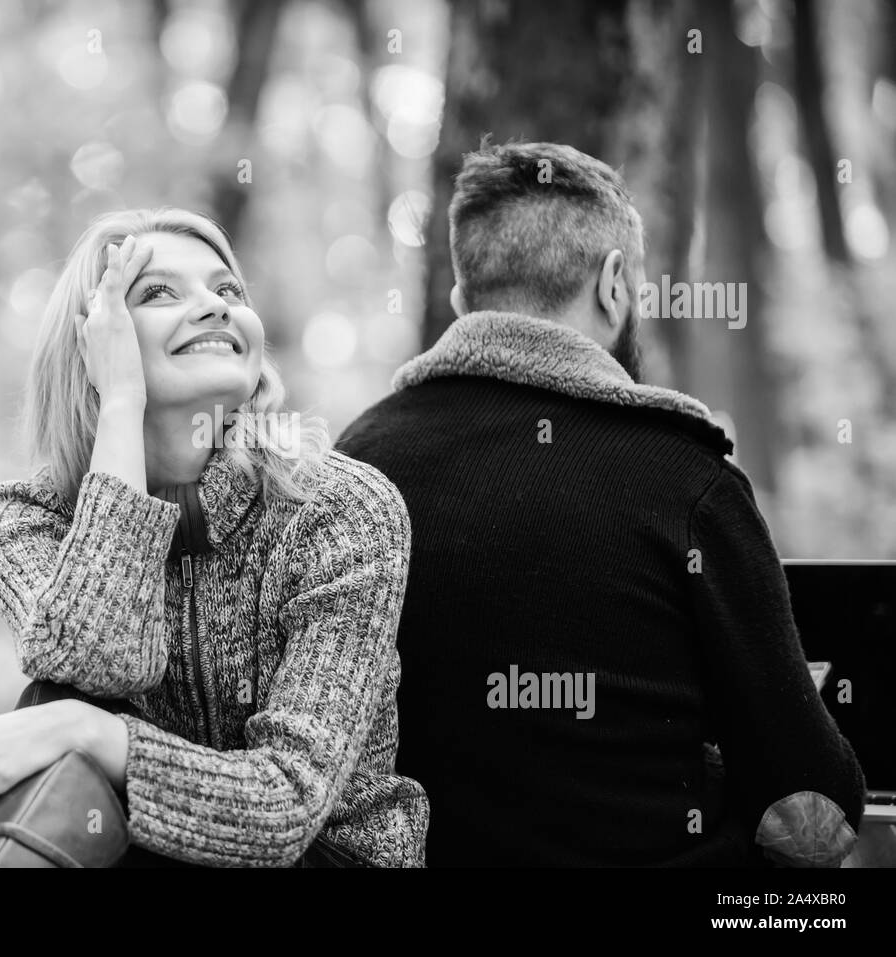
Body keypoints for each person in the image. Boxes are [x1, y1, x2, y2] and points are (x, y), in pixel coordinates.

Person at [0, 207, 428, 868]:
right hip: (114, 841)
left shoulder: (337, 506)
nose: (215, 308)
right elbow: (101, 659)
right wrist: (122, 405)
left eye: (227, 291)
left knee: (54, 714)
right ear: (93, 344)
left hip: (316, 854)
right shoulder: (26, 517)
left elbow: (286, 806)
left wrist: (85, 730)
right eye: (159, 293)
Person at [337, 141, 866, 867]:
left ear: (464, 301)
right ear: (616, 285)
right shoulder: (685, 479)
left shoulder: (356, 463)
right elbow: (813, 811)